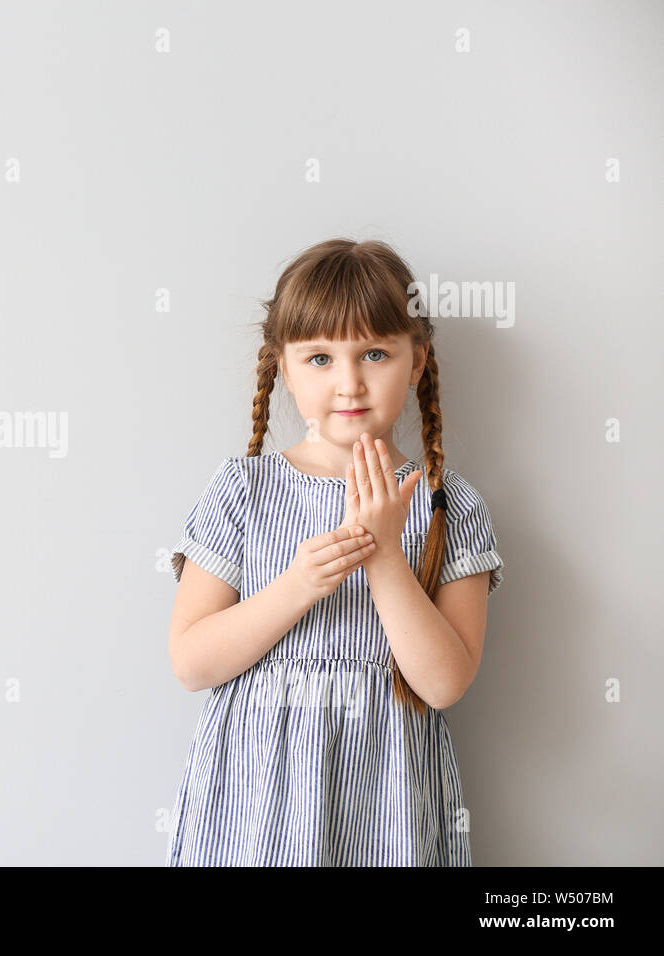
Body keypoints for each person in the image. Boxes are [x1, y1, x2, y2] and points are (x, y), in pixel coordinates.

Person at [164, 238, 505, 866]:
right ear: (285, 369)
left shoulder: (449, 507)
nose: (349, 382)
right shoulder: (245, 489)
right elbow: (191, 663)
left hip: (389, 802)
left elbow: (446, 682)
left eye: (375, 353)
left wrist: (384, 558)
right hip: (257, 804)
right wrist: (297, 585)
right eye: (320, 358)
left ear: (417, 359)